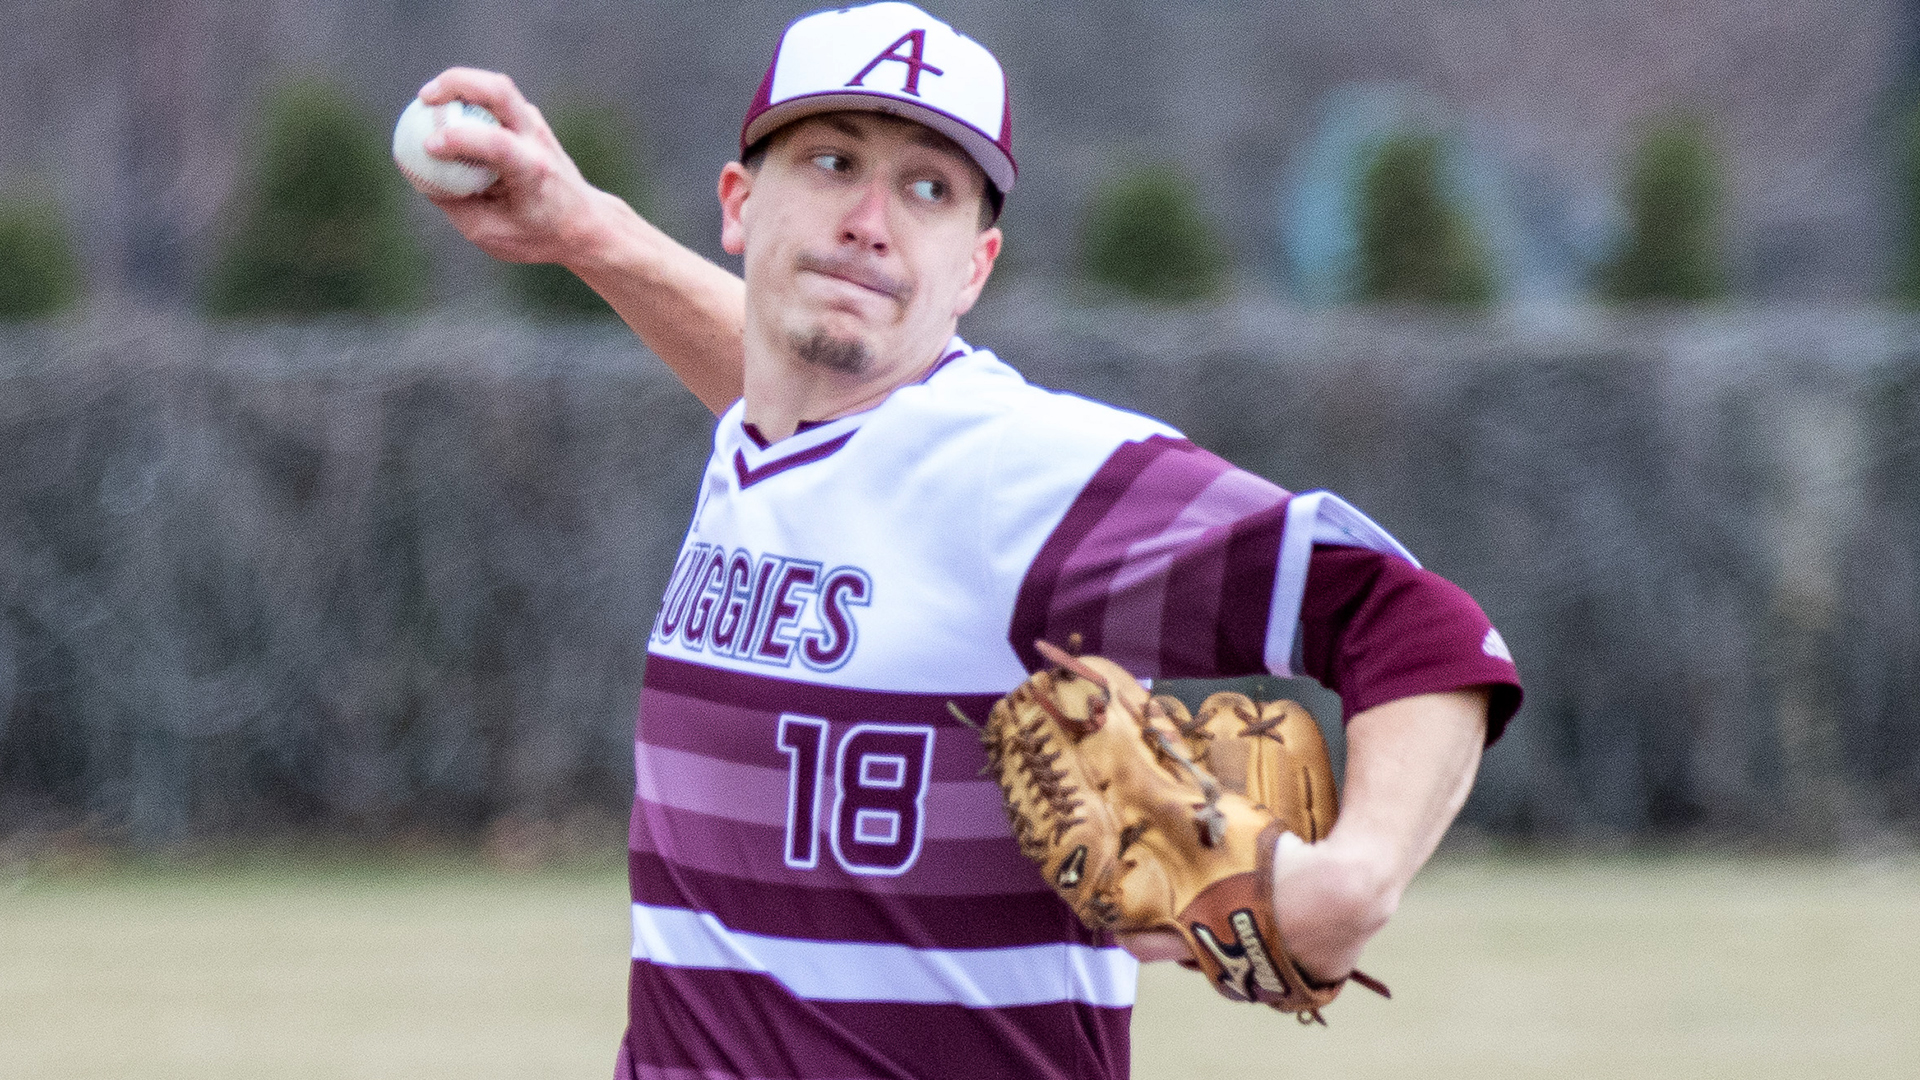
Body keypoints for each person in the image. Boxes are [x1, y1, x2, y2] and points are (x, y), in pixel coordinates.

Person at [414, 4, 1521, 1078]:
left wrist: (1357, 881)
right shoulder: (778, 434)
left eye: (928, 188)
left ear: (975, 267)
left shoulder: (1026, 479)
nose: (870, 221)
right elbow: (794, 391)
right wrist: (587, 232)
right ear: (740, 204)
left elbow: (1414, 621)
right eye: (833, 162)